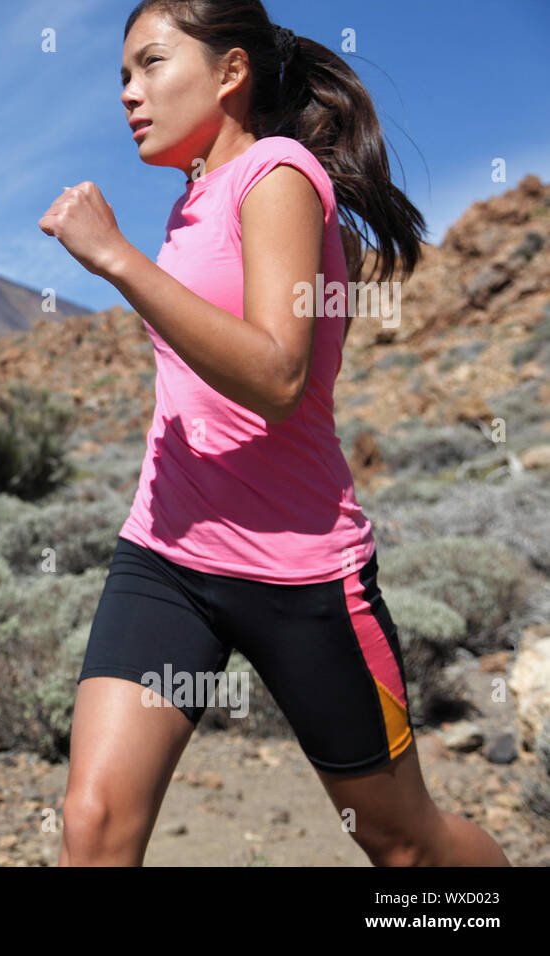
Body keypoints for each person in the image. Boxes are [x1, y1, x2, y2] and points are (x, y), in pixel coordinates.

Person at [37, 0, 510, 866]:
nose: (128, 94)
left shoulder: (279, 175)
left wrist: (114, 258)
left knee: (407, 848)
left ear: (230, 73)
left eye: (149, 65)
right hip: (167, 553)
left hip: (300, 571)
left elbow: (279, 379)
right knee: (93, 825)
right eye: (121, 77)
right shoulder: (191, 204)